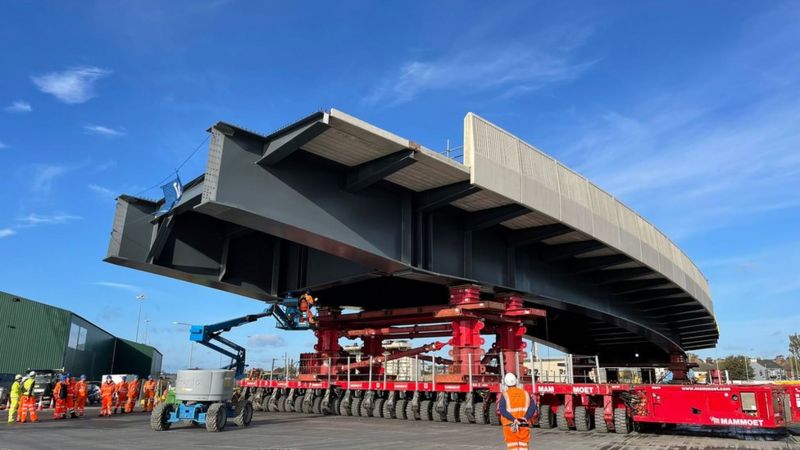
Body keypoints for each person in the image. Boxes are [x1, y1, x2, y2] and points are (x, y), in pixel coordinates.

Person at [498, 373, 536, 450]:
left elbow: (502, 410)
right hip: (523, 424)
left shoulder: (505, 395)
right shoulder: (525, 394)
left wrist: (513, 419)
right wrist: (526, 417)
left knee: (513, 447)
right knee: (523, 446)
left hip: (510, 426)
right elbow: (533, 407)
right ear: (516, 382)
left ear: (505, 383)